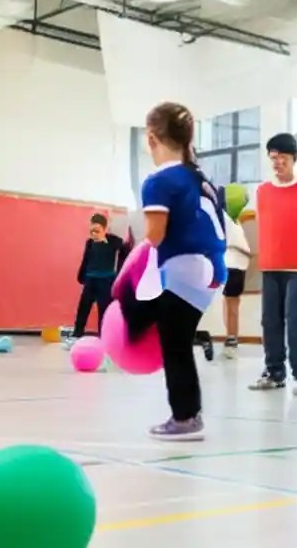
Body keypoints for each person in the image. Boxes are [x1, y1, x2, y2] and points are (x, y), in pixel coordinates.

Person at [119, 101, 226, 441]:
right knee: (173, 333)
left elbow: (155, 236)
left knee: (166, 337)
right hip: (211, 270)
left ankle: (185, 418)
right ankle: (187, 414)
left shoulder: (159, 181)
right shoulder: (198, 175)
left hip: (186, 268)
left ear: (151, 139)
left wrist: (132, 258)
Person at [239, 133, 297, 396]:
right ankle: (274, 372)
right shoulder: (261, 191)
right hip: (270, 265)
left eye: (282, 157)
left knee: (296, 319)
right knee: (269, 320)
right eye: (273, 158)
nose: (277, 163)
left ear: (293, 158)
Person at [69, 213, 128, 345]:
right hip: (90, 280)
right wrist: (82, 278)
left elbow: (125, 252)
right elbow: (86, 260)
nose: (94, 234)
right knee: (83, 308)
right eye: (92, 231)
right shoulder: (89, 243)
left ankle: (104, 338)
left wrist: (118, 274)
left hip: (106, 281)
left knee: (104, 310)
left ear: (104, 229)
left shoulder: (114, 241)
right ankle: (76, 335)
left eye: (97, 231)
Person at [220, 197, 252, 359]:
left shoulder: (234, 220)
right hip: (232, 266)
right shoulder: (226, 219)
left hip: (237, 266)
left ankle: (232, 337)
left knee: (232, 303)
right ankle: (231, 338)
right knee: (231, 304)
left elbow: (245, 216)